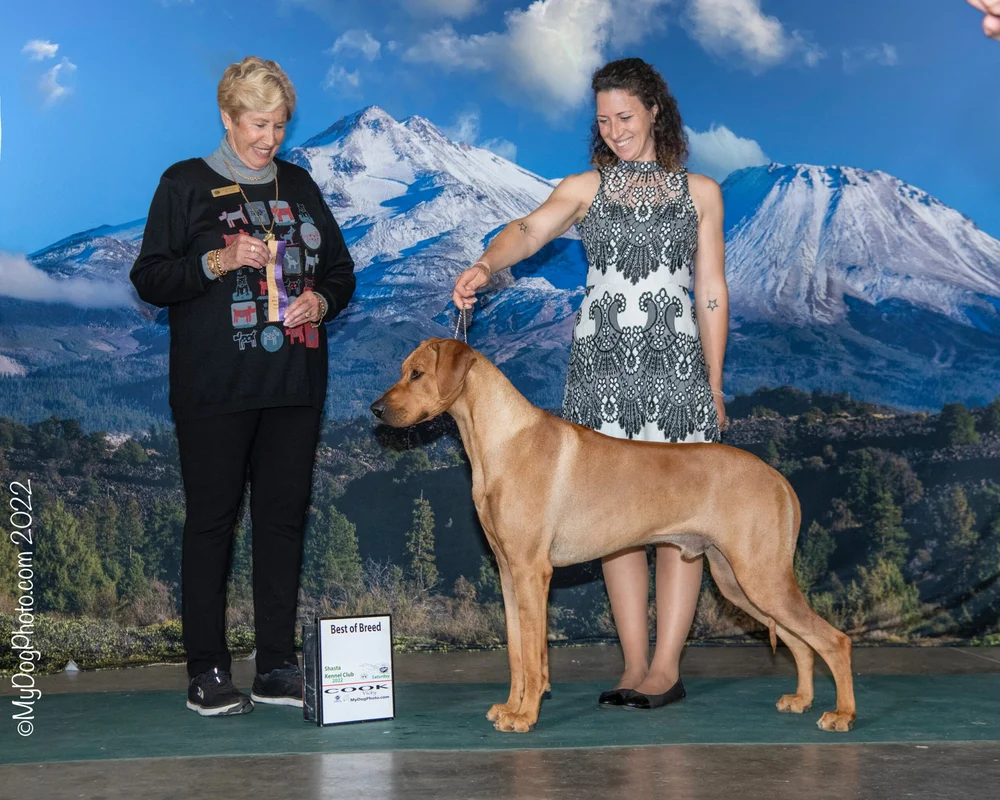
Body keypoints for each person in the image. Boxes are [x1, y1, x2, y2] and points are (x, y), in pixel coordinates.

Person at [452, 58, 728, 711]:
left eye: (625, 116)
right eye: (603, 120)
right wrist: (488, 262)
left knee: (679, 520)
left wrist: (713, 384)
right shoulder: (583, 188)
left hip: (675, 369)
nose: (615, 130)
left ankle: (666, 668)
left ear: (656, 110)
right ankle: (633, 663)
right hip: (601, 370)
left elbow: (712, 292)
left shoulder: (702, 193)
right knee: (613, 519)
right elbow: (529, 229)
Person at [131, 56, 356, 716]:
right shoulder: (184, 185)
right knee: (212, 525)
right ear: (227, 118)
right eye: (258, 124)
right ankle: (206, 670)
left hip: (293, 384)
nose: (270, 139)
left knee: (281, 525)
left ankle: (277, 666)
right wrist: (215, 259)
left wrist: (322, 303)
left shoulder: (302, 185)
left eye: (280, 126)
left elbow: (341, 272)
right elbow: (151, 278)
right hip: (213, 388)